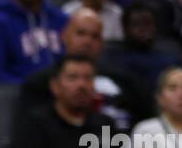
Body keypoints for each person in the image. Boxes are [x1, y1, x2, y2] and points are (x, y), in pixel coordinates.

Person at [15, 8, 148, 133]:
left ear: (102, 43)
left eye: (94, 36)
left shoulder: (125, 80)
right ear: (64, 36)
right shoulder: (40, 83)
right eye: (80, 33)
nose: (87, 41)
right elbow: (28, 130)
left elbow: (145, 124)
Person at [8, 55, 117, 148]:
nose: (81, 85)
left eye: (87, 78)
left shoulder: (106, 124)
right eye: (73, 78)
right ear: (55, 86)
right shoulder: (36, 122)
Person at [102, 0, 179, 97]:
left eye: (147, 23)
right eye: (137, 24)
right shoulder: (113, 58)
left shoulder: (170, 55)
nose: (143, 29)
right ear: (125, 29)